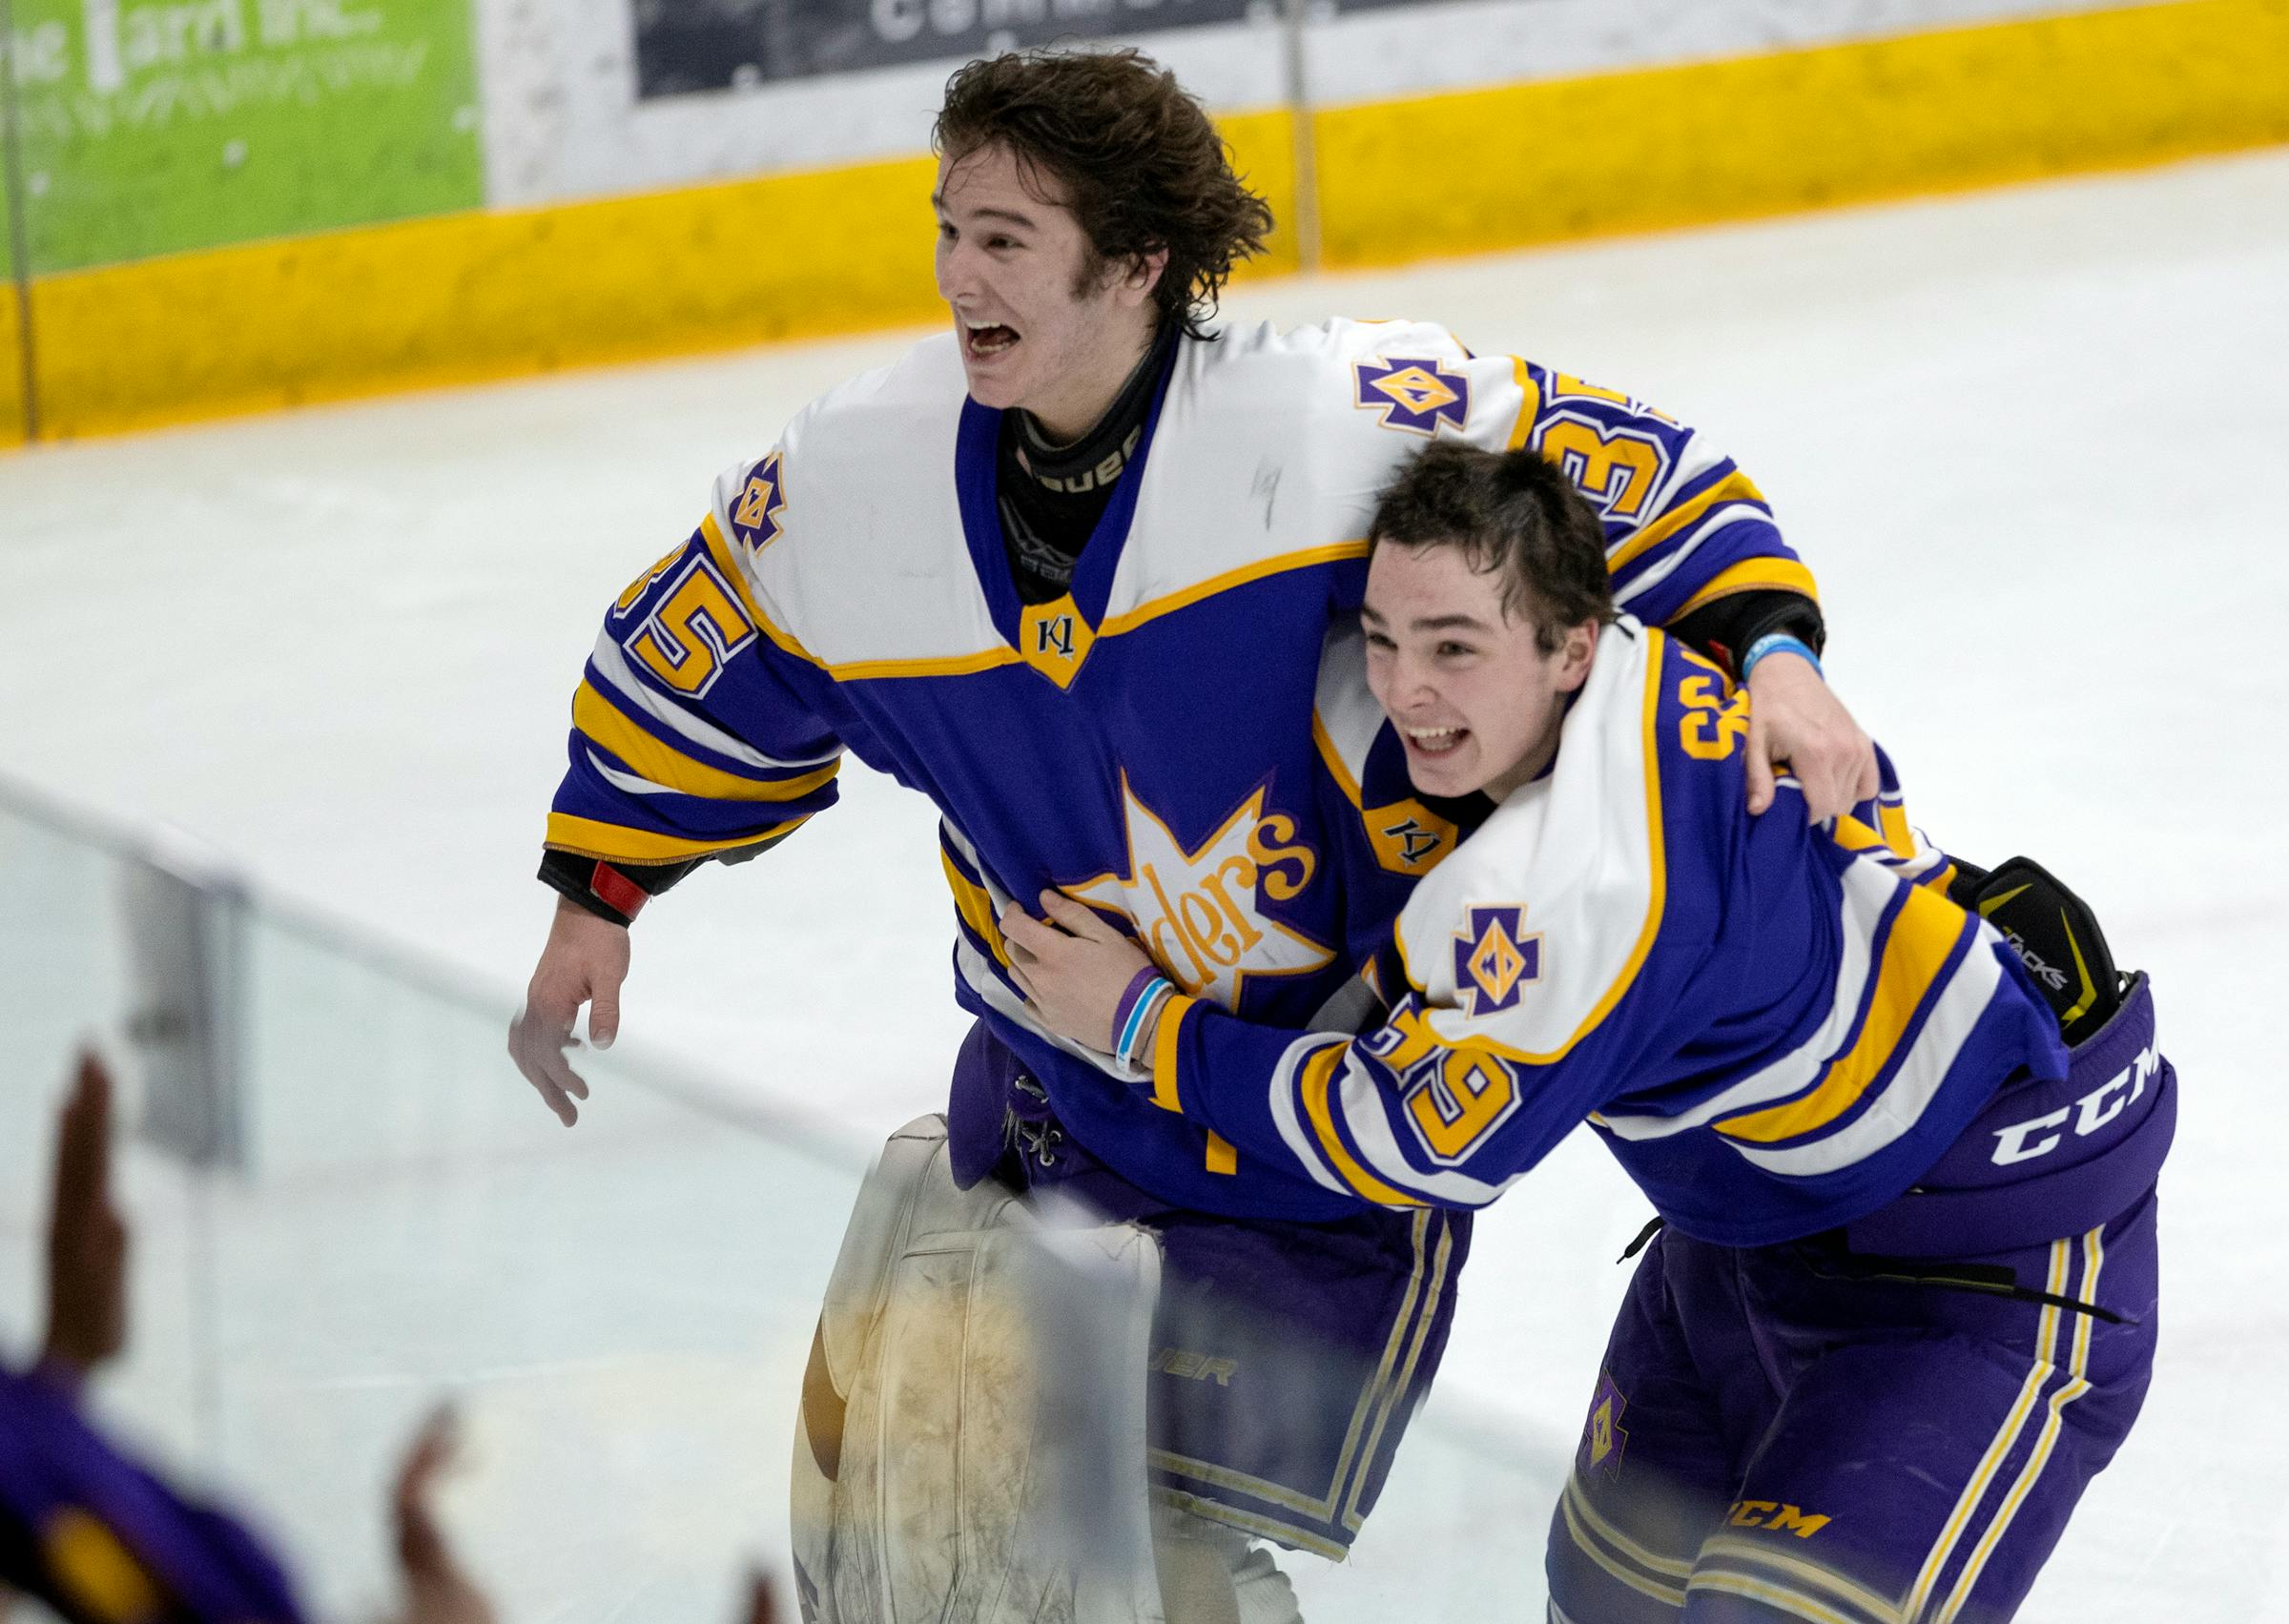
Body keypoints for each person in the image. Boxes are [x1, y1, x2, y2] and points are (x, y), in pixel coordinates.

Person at [504, 47, 1881, 1617]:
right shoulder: (856, 482)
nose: (961, 273)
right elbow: (699, 639)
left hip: (1298, 1127)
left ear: (1140, 262)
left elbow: (1634, 475)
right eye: (948, 227)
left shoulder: (1336, 420)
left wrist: (1776, 655)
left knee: (1158, 1557)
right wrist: (598, 892)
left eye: (1008, 237)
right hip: (1048, 1087)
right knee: (938, 1545)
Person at [1001, 442, 2167, 1623]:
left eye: (1455, 646)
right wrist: (1772, 638)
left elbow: (1407, 1139)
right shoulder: (1636, 647)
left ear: (1570, 647)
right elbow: (1660, 483)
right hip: (1744, 1239)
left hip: (1979, 1282)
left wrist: (1147, 1027)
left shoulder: (1580, 888)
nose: (1405, 687)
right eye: (1385, 636)